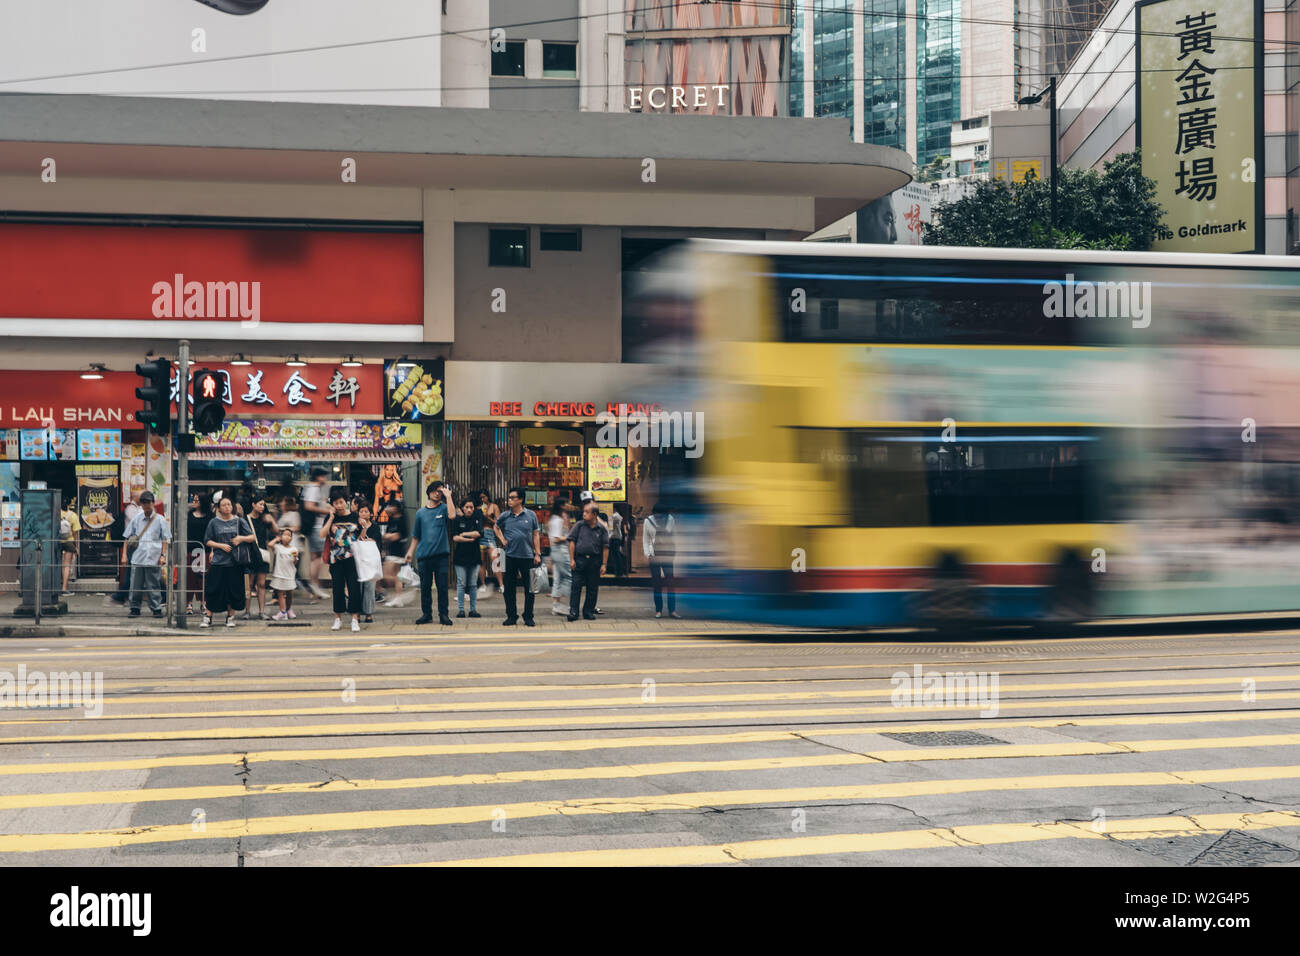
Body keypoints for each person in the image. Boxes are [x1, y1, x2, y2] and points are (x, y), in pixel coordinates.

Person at [202, 495, 256, 628]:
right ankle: (208, 617)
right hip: (218, 562)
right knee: (213, 590)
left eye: (229, 504)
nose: (227, 507)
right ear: (219, 508)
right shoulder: (214, 522)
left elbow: (252, 537)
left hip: (235, 562)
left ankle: (230, 617)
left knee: (233, 591)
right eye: (224, 505)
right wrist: (220, 546)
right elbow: (207, 540)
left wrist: (240, 539)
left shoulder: (239, 521)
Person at [407, 482, 453, 626]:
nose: (437, 493)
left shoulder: (444, 508)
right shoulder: (421, 513)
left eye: (440, 491)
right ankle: (426, 614)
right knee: (425, 587)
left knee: (442, 587)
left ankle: (443, 614)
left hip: (441, 556)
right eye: (435, 491)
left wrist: (449, 497)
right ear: (429, 492)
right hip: (424, 556)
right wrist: (410, 552)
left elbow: (452, 516)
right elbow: (416, 535)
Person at [497, 487, 541, 627]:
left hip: (527, 556)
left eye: (512, 498)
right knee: (509, 588)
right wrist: (502, 540)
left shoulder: (531, 515)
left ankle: (528, 616)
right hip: (509, 556)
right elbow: (496, 527)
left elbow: (536, 534)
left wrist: (538, 553)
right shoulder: (505, 515)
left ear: (520, 499)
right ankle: (511, 615)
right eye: (509, 497)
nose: (509, 500)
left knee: (530, 588)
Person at [321, 489, 363, 632]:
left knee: (354, 588)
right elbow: (322, 534)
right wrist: (331, 518)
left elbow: (361, 536)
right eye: (336, 503)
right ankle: (337, 618)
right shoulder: (330, 517)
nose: (339, 505)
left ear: (346, 502)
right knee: (337, 589)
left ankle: (355, 619)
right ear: (332, 504)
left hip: (353, 559)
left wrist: (363, 525)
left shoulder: (355, 517)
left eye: (341, 502)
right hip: (336, 559)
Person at [123, 491, 171, 618]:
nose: (146, 505)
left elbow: (165, 539)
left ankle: (156, 608)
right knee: (135, 585)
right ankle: (134, 608)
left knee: (153, 584)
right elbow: (127, 537)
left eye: (148, 502)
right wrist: (124, 555)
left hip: (153, 557)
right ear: (141, 505)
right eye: (144, 503)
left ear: (153, 503)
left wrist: (163, 555)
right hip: (138, 556)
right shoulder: (136, 519)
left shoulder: (160, 520)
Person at [568, 501, 609, 621]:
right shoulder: (579, 525)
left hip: (594, 561)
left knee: (592, 588)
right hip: (579, 560)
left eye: (587, 512)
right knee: (576, 587)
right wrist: (571, 559)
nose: (584, 514)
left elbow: (605, 547)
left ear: (595, 514)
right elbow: (572, 542)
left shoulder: (601, 528)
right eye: (584, 511)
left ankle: (588, 611)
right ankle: (573, 611)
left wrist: (604, 564)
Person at [643, 501, 680, 618]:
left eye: (662, 516)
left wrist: (674, 551)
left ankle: (672, 610)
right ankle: (658, 610)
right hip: (654, 554)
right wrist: (648, 554)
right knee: (657, 583)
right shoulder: (648, 521)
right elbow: (646, 539)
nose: (659, 518)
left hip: (668, 554)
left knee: (670, 582)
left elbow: (674, 535)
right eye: (657, 516)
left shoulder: (670, 520)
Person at [242, 493, 276, 620]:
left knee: (261, 584)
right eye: (260, 504)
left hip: (262, 554)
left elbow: (276, 532)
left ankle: (261, 611)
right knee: (249, 584)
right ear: (253, 505)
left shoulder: (265, 519)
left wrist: (271, 519)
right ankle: (247, 611)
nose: (262, 507)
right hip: (249, 554)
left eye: (263, 504)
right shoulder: (245, 519)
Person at [301, 467, 332, 599]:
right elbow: (309, 506)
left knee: (315, 556)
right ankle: (314, 586)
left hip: (315, 526)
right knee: (317, 557)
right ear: (318, 477)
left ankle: (314, 588)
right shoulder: (313, 488)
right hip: (315, 526)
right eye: (324, 476)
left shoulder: (312, 488)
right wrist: (328, 512)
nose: (325, 479)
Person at [451, 497, 484, 618]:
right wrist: (470, 539)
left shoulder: (477, 519)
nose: (469, 510)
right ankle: (461, 610)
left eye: (471, 507)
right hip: (460, 557)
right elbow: (455, 537)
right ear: (462, 508)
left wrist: (464, 534)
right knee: (461, 583)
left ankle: (473, 610)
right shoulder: (457, 520)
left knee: (473, 584)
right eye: (467, 507)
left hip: (474, 556)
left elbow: (479, 533)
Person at [380, 501, 410, 608]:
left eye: (391, 506)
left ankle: (400, 594)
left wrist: (389, 536)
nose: (389, 508)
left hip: (398, 552)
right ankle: (398, 597)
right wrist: (388, 536)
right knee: (393, 575)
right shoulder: (391, 519)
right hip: (391, 550)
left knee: (387, 575)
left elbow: (397, 536)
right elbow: (388, 536)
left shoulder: (402, 520)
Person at [186, 493, 211, 615]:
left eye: (197, 500)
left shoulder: (209, 516)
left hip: (204, 549)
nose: (194, 502)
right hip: (190, 549)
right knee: (190, 577)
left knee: (204, 578)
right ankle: (188, 603)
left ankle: (204, 602)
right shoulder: (189, 515)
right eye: (194, 500)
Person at [547, 497, 572, 616]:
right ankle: (567, 603)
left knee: (557, 578)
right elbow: (555, 539)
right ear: (562, 506)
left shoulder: (555, 518)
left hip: (557, 551)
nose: (568, 505)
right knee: (568, 577)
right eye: (566, 503)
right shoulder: (557, 520)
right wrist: (569, 537)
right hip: (561, 550)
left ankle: (556, 606)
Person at [269, 527, 299, 620]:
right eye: (285, 535)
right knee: (280, 593)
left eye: (289, 535)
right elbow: (270, 544)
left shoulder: (294, 549)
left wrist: (295, 558)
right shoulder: (278, 547)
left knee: (289, 593)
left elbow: (295, 563)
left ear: (291, 538)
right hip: (279, 574)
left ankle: (288, 609)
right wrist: (277, 539)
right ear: (281, 536)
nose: (287, 537)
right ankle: (282, 612)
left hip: (289, 574)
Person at [356, 503, 378, 623]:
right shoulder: (355, 526)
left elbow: (377, 542)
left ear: (370, 513)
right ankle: (357, 612)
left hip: (371, 561)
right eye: (361, 511)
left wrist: (369, 540)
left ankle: (369, 613)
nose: (364, 514)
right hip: (359, 560)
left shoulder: (375, 527)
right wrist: (363, 529)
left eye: (366, 511)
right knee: (358, 587)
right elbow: (358, 540)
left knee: (370, 587)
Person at [478, 490, 503, 595]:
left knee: (495, 560)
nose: (482, 499)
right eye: (481, 498)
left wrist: (488, 518)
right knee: (481, 561)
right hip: (480, 534)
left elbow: (499, 522)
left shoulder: (494, 506)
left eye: (484, 497)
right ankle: (483, 584)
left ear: (488, 496)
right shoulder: (478, 507)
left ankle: (501, 584)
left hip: (490, 534)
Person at [58, 502, 80, 595]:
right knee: (66, 565)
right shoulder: (73, 515)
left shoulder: (55, 513)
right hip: (69, 542)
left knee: (56, 564)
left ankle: (56, 586)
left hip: (56, 541)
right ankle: (64, 588)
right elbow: (75, 533)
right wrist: (77, 546)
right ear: (69, 505)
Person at [607, 506, 625, 578]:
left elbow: (610, 529)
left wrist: (608, 538)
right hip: (617, 538)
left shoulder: (614, 516)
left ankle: (618, 573)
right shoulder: (618, 516)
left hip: (614, 538)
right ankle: (619, 572)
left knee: (615, 556)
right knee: (617, 556)